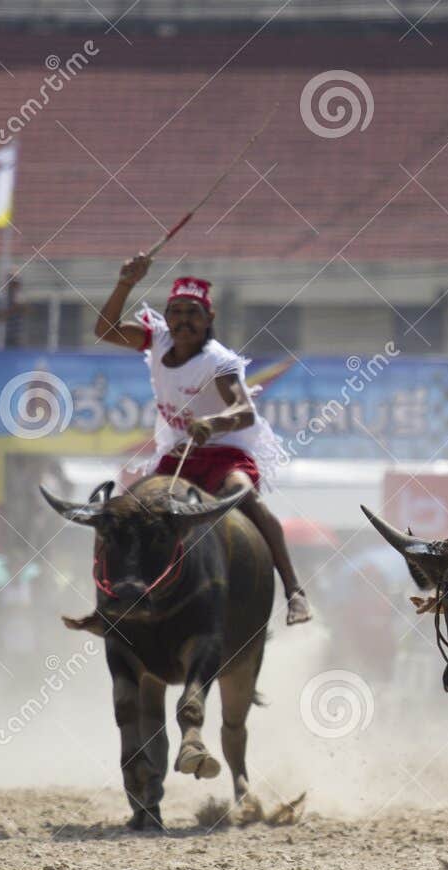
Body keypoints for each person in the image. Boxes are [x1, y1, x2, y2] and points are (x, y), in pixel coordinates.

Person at [94, 253, 312, 625]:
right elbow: (104, 329)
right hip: (178, 455)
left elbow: (244, 412)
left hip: (227, 452)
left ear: (209, 319)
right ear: (168, 316)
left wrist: (212, 424)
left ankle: (294, 590)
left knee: (244, 495)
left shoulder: (219, 361)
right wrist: (126, 283)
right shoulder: (157, 339)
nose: (183, 321)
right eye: (176, 311)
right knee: (122, 513)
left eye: (193, 313)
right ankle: (107, 602)